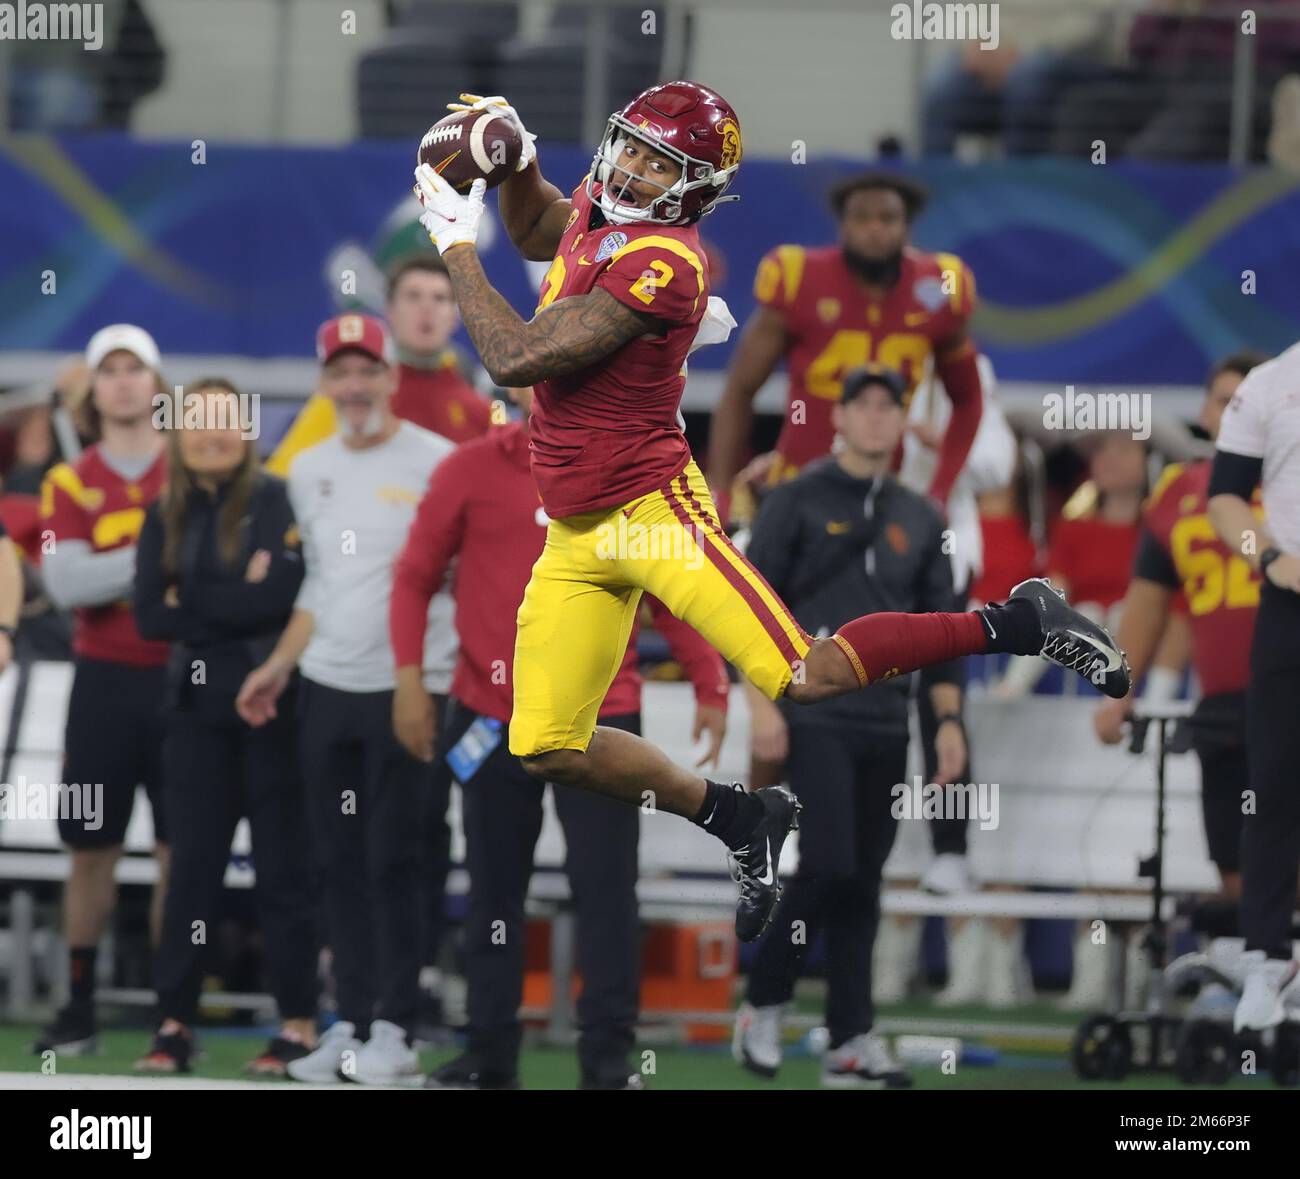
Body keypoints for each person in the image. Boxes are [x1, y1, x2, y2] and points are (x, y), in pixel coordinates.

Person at [412, 82, 1130, 946]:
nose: (631, 169)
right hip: (575, 531)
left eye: (656, 162)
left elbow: (515, 355)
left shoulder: (667, 263)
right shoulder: (605, 212)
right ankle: (738, 817)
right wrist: (517, 156)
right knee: (546, 744)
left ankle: (1014, 620)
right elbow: (539, 230)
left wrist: (453, 236)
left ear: (694, 190)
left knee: (805, 672)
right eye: (629, 146)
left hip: (651, 514)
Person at [390, 385, 729, 1090]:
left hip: (604, 720)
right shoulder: (468, 468)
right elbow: (415, 575)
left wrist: (711, 681)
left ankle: (607, 1061)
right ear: (519, 382)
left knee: (608, 890)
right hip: (490, 713)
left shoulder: (630, 470)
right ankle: (489, 1054)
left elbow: (675, 584)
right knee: (492, 891)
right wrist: (407, 680)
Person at [236, 314, 456, 1085]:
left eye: (369, 371)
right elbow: (323, 586)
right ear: (325, 382)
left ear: (394, 376)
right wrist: (277, 665)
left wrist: (436, 684)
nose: (355, 386)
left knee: (397, 858)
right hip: (326, 686)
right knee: (334, 860)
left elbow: (453, 582)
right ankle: (351, 1022)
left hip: (411, 687)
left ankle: (397, 1025)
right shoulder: (308, 468)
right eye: (341, 372)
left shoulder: (439, 462)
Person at [734, 365, 962, 1088]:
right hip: (814, 712)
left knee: (863, 879)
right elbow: (740, 606)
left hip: (889, 720)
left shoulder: (923, 515)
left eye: (886, 406)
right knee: (829, 860)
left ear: (901, 421)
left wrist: (949, 722)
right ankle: (764, 998)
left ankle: (850, 1038)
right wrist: (761, 704)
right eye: (861, 405)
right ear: (839, 418)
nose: (874, 418)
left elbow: (947, 633)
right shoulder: (794, 500)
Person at [130, 378, 318, 1076]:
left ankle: (297, 1022)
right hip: (194, 716)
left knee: (283, 874)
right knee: (191, 875)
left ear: (247, 432)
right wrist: (239, 599)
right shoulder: (163, 512)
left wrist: (197, 597)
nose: (212, 433)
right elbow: (150, 614)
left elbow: (281, 593)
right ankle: (173, 1023)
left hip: (272, 709)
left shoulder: (276, 499)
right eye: (197, 421)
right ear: (178, 434)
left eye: (225, 421)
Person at [32, 325, 171, 1057]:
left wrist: (115, 562)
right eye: (108, 371)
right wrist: (158, 560)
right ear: (93, 389)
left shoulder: (192, 470)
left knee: (180, 850)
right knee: (91, 848)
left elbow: (213, 567)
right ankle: (79, 1003)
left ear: (155, 384)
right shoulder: (68, 480)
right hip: (104, 683)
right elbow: (63, 582)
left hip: (183, 683)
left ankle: (169, 1008)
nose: (122, 382)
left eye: (134, 369)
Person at [706, 170, 984, 524]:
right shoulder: (798, 277)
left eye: (887, 218)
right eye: (861, 218)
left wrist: (940, 492)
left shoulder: (941, 288)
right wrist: (722, 490)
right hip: (795, 490)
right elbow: (739, 391)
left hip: (883, 498)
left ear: (907, 227)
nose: (874, 229)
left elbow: (969, 399)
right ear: (843, 225)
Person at [1095, 352, 1268, 903]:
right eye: (1226, 400)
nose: (1237, 412)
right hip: (1221, 700)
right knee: (1233, 857)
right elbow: (1148, 599)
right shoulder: (1179, 491)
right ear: (1205, 412)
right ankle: (1264, 974)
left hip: (1288, 690)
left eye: (1250, 401)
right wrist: (1119, 686)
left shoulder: (1290, 485)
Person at [1206, 339, 1300, 1032]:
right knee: (1274, 784)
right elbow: (1225, 501)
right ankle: (1266, 959)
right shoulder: (1269, 385)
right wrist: (1268, 556)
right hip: (1292, 600)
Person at [266, 254, 492, 475]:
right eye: (413, 297)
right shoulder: (353, 394)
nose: (427, 308)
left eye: (440, 298)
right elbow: (283, 478)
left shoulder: (479, 410)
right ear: (390, 311)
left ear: (456, 315)